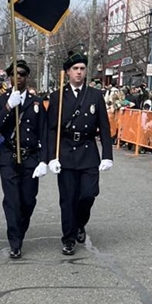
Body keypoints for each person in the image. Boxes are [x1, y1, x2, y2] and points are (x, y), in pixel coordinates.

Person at [47, 51, 113, 256]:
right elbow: (51, 129)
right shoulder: (57, 96)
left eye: (82, 68)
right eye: (75, 69)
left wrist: (107, 155)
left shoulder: (94, 95)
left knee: (88, 194)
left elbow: (104, 126)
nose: (79, 72)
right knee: (67, 199)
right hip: (66, 151)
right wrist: (51, 157)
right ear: (67, 72)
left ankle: (79, 223)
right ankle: (68, 238)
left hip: (87, 151)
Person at [0, 60, 49, 259]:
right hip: (9, 156)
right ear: (9, 78)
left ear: (27, 77)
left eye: (23, 74)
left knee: (28, 201)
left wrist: (44, 160)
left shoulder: (37, 102)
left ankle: (20, 230)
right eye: (15, 74)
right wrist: (8, 106)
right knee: (12, 201)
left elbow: (44, 133)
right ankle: (15, 241)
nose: (19, 77)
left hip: (30, 157)